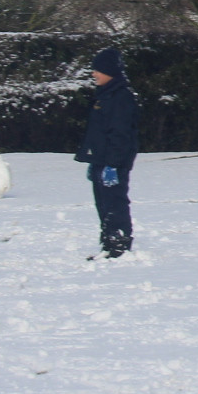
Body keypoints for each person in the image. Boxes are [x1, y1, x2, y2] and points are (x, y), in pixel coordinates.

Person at [76, 47, 140, 258]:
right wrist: (93, 160)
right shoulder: (105, 96)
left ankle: (118, 245)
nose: (94, 74)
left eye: (98, 70)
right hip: (101, 161)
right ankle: (108, 243)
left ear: (110, 71)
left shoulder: (120, 98)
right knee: (103, 204)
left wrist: (113, 165)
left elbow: (120, 135)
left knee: (115, 203)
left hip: (113, 163)